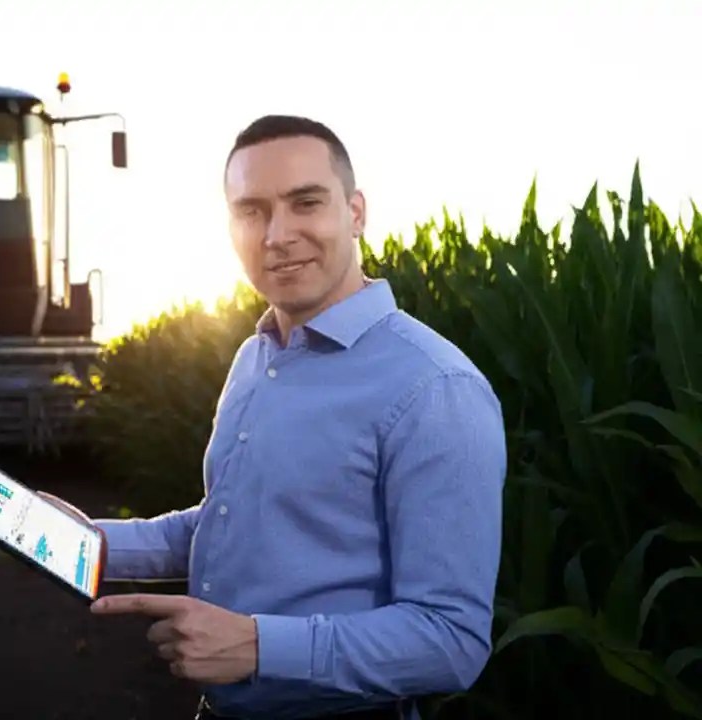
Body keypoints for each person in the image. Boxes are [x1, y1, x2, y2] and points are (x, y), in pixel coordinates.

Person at [41, 115, 507, 719]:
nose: (276, 235)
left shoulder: (434, 388)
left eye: (305, 203)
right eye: (251, 211)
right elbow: (232, 523)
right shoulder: (258, 356)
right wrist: (89, 544)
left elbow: (451, 641)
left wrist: (258, 646)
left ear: (356, 211)